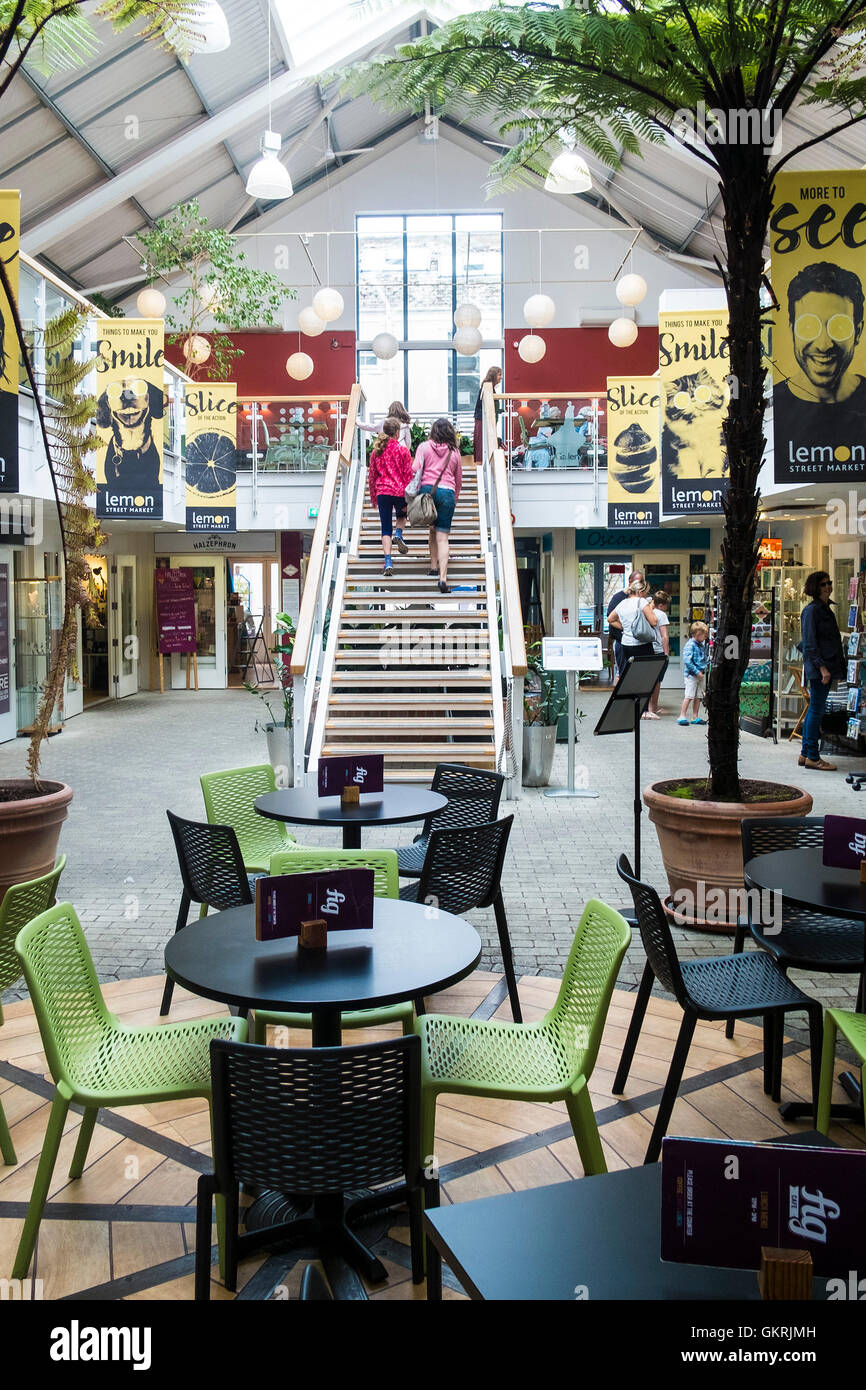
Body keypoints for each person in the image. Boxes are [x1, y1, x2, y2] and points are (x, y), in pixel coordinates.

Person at [773, 262, 866, 472]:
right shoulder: (773, 408)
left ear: (858, 332)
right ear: (792, 331)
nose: (824, 344)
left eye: (839, 326)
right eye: (808, 326)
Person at [799, 570, 845, 771]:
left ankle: (805, 753)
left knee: (814, 709)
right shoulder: (812, 611)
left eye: (829, 583)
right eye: (823, 584)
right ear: (815, 588)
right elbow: (809, 643)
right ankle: (813, 756)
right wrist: (823, 668)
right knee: (817, 710)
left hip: (826, 666)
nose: (828, 587)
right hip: (820, 668)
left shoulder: (826, 609)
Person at [413, 417, 462, 593]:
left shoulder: (423, 447)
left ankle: (433, 566)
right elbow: (458, 480)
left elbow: (415, 468)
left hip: (428, 492)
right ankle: (442, 577)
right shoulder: (455, 452)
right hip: (447, 493)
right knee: (442, 537)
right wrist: (453, 499)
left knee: (431, 529)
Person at [368, 416, 414, 576]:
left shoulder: (376, 452)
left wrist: (373, 498)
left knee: (385, 528)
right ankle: (399, 534)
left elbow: (372, 476)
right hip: (399, 491)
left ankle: (388, 561)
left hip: (383, 493)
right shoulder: (403, 451)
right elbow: (408, 476)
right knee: (402, 516)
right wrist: (410, 498)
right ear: (396, 433)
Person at [608, 577, 659, 665]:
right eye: (646, 593)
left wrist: (623, 627)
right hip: (641, 643)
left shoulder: (622, 603)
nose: (647, 596)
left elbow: (610, 619)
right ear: (640, 592)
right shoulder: (642, 601)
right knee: (646, 672)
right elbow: (654, 622)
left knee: (631, 671)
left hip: (626, 644)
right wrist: (651, 608)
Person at [608, 570, 646, 682]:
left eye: (642, 581)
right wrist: (626, 627)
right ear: (630, 582)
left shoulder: (641, 599)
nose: (641, 584)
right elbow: (610, 618)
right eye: (639, 581)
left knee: (636, 675)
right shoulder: (619, 598)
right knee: (622, 673)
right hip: (621, 642)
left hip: (637, 643)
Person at [643, 590, 671, 718]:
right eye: (667, 605)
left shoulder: (646, 611)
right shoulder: (661, 614)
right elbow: (664, 636)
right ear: (661, 605)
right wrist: (666, 653)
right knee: (657, 680)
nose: (667, 608)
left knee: (648, 678)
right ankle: (652, 708)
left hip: (646, 648)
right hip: (658, 650)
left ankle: (649, 707)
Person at [678, 622, 709, 725]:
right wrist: (696, 672)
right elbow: (687, 661)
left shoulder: (701, 645)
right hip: (692, 676)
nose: (706, 637)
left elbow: (703, 659)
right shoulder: (690, 645)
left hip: (700, 674)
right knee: (689, 695)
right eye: (704, 635)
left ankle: (695, 716)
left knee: (698, 696)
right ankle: (682, 715)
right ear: (697, 634)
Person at [473, 365, 502, 462]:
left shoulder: (489, 388)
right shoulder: (487, 388)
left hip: (485, 420)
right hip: (483, 420)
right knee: (483, 442)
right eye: (499, 375)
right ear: (493, 375)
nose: (501, 377)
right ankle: (482, 462)